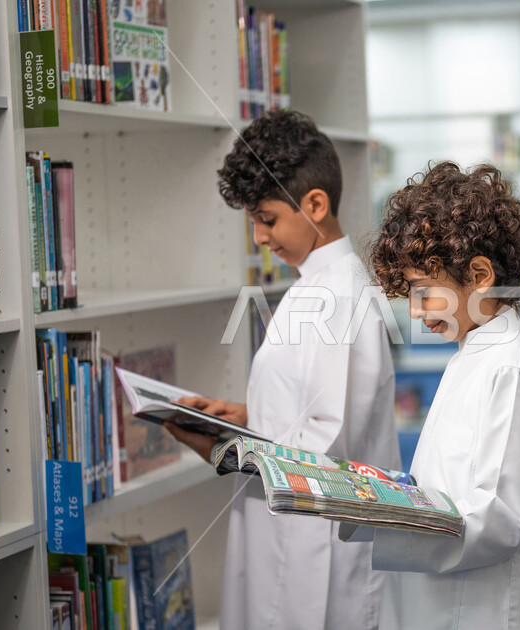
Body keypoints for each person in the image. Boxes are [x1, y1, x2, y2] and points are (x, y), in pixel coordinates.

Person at [163, 110, 399, 630]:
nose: (259, 238)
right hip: (287, 532)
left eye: (267, 219)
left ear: (315, 205)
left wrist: (219, 448)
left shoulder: (336, 296)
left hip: (320, 550)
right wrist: (244, 415)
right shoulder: (311, 285)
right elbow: (314, 407)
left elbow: (321, 456)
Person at [352, 161, 520, 628]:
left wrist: (391, 521)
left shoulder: (509, 368)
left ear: (479, 274)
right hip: (450, 598)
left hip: (487, 607)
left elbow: (502, 517)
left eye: (423, 292)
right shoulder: (471, 352)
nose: (414, 311)